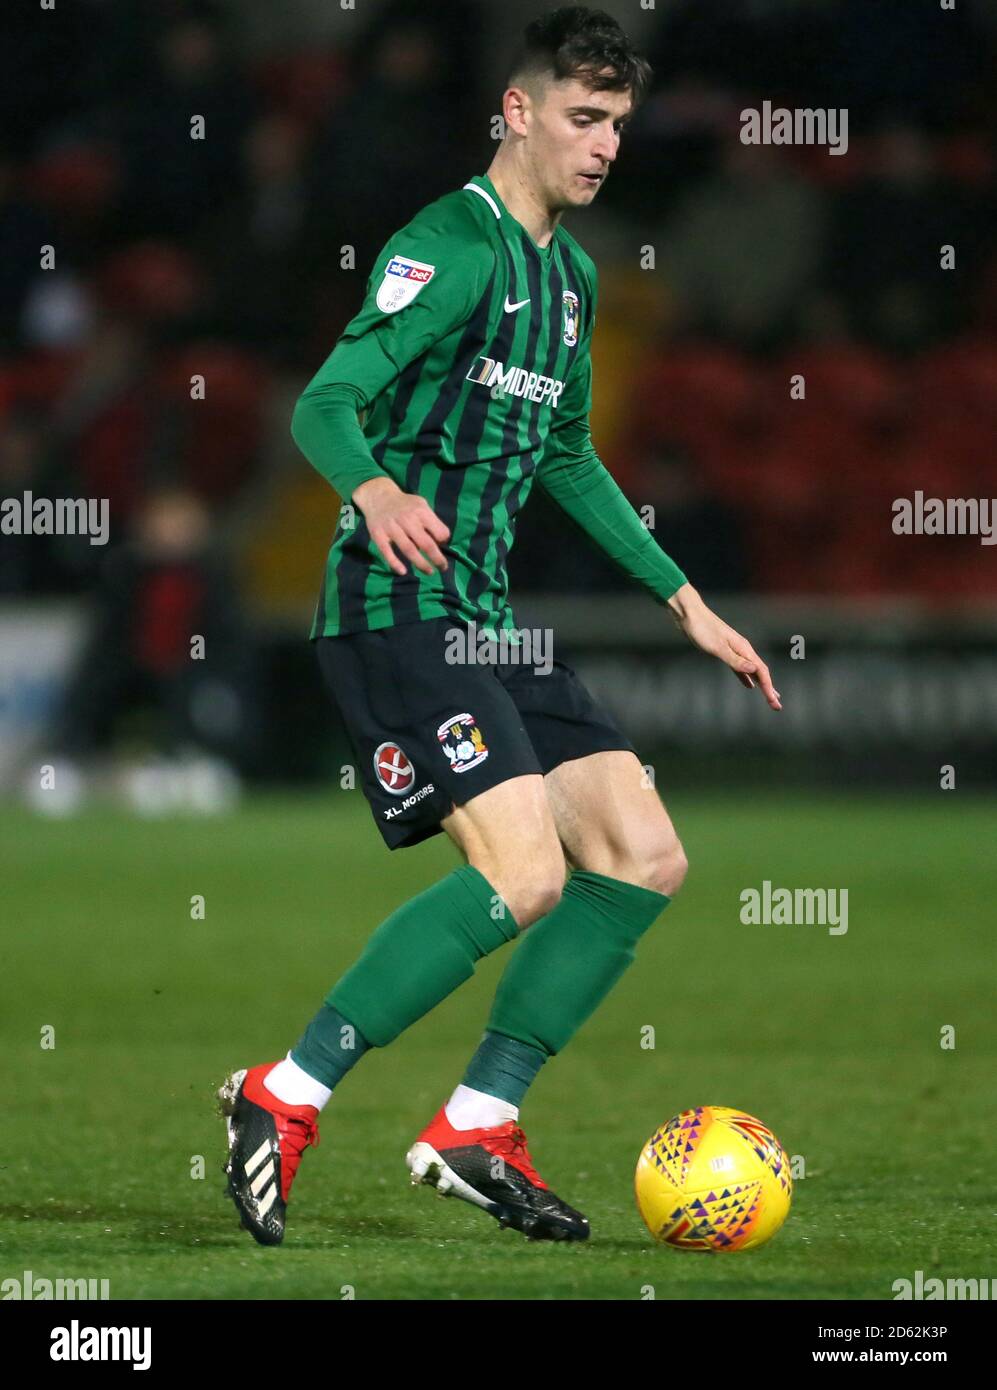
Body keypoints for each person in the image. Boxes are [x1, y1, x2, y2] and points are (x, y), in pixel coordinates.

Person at [220, 5, 780, 1247]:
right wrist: (373, 487)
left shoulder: (572, 280)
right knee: (524, 874)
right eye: (583, 119)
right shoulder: (447, 247)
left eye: (620, 125)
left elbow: (569, 455)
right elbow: (326, 402)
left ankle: (477, 1121)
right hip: (393, 603)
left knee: (642, 852)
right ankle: (284, 1089)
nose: (604, 146)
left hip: (481, 615)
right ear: (518, 112)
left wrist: (685, 601)